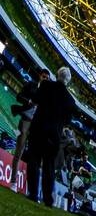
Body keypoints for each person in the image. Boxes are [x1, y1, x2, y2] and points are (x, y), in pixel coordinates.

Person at [23, 67, 75, 207]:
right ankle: (48, 200)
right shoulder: (70, 101)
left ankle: (33, 194)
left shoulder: (46, 85)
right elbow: (67, 121)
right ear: (68, 81)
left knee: (34, 160)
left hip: (38, 128)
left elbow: (34, 100)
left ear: (57, 75)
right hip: (54, 135)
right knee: (49, 166)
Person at [11, 69, 47, 166]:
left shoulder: (46, 95)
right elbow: (19, 96)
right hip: (26, 119)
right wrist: (28, 101)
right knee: (19, 150)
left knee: (33, 153)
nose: (45, 79)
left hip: (36, 124)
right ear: (39, 76)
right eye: (44, 76)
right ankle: (13, 179)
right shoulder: (31, 85)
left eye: (47, 78)